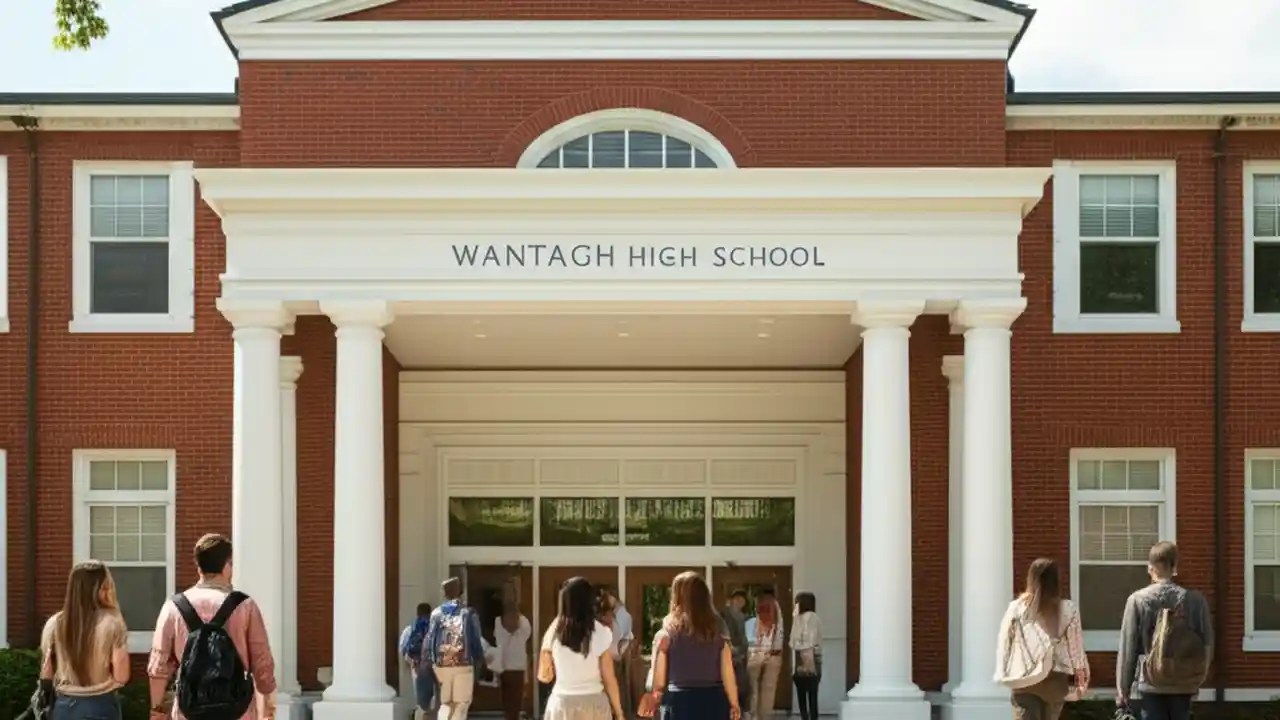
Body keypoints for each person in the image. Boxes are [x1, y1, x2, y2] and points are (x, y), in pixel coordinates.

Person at [148, 533, 277, 720]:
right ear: (227, 564)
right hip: (237, 711)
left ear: (198, 566)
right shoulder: (245, 606)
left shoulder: (173, 607)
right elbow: (262, 664)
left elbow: (158, 667)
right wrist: (268, 709)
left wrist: (156, 711)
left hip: (189, 710)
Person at [1117, 542, 1213, 720]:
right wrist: (1198, 677)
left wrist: (1123, 690)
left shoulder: (1137, 600)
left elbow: (1128, 649)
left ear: (1150, 568)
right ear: (1174, 567)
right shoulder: (1196, 601)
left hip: (1150, 682)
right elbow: (1207, 644)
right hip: (1184, 682)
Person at [994, 558, 1089, 720]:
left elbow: (1005, 641)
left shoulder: (1017, 608)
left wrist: (1002, 670)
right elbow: (1075, 647)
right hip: (1055, 680)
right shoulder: (1068, 609)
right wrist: (1080, 675)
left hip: (1024, 677)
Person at [642, 571, 741, 720]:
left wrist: (654, 698)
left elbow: (659, 681)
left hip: (679, 703)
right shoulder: (718, 635)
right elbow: (728, 674)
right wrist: (734, 704)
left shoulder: (666, 635)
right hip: (713, 701)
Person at [39, 560, 130, 720]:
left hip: (63, 707)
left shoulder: (53, 624)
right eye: (105, 587)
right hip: (100, 705)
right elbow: (122, 676)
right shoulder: (112, 622)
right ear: (99, 589)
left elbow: (47, 671)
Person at [537, 577, 625, 720]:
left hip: (562, 704)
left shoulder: (554, 631)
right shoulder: (600, 632)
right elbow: (609, 678)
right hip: (593, 704)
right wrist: (619, 713)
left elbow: (544, 675)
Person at [424, 577, 486, 720]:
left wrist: (433, 662)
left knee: (445, 703)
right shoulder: (468, 613)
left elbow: (431, 639)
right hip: (463, 664)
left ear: (444, 593)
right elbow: (476, 639)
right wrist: (479, 659)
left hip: (442, 665)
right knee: (461, 703)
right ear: (460, 591)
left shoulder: (436, 614)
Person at [743, 589, 784, 720]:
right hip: (774, 652)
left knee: (752, 686)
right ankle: (764, 716)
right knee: (769, 689)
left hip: (755, 650)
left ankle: (753, 715)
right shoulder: (776, 608)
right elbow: (779, 630)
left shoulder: (757, 605)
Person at [494, 601, 532, 720]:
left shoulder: (498, 622)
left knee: (506, 703)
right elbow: (527, 635)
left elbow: (497, 640)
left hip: (503, 666)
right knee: (516, 703)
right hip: (519, 667)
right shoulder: (524, 622)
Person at [788, 592, 821, 720]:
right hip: (811, 658)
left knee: (803, 693)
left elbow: (795, 641)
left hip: (805, 658)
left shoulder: (809, 618)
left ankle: (806, 717)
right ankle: (810, 717)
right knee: (811, 694)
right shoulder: (805, 618)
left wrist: (799, 646)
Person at [400, 602, 435, 720]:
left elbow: (403, 650)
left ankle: (420, 715)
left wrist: (412, 663)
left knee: (419, 698)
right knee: (434, 696)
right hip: (433, 666)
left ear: (417, 613)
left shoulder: (410, 628)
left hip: (417, 665)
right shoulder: (435, 627)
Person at [721, 590, 751, 714]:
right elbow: (721, 634)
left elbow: (745, 638)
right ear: (731, 600)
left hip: (741, 656)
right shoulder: (723, 615)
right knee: (729, 686)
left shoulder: (744, 617)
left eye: (742, 599)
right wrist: (729, 648)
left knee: (742, 687)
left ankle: (740, 712)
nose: (739, 602)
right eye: (737, 598)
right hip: (728, 656)